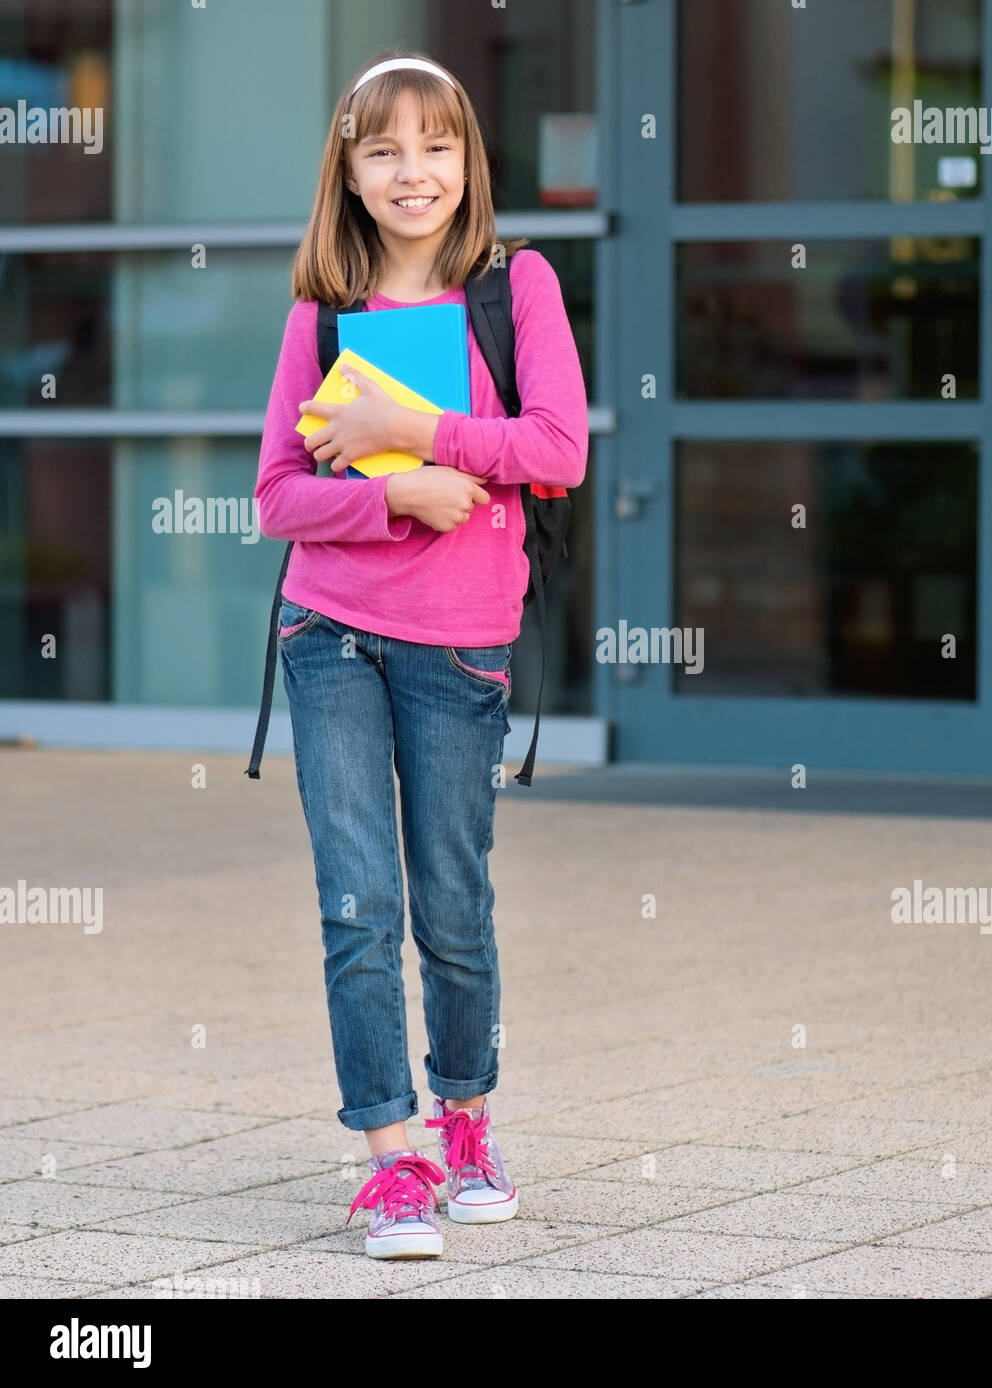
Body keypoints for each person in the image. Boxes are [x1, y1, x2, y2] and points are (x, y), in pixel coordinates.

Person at [253, 50, 587, 1258]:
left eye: (436, 147)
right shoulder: (321, 311)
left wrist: (409, 429)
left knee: (452, 904)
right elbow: (278, 498)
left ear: (468, 163)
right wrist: (399, 497)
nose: (413, 172)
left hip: (459, 644)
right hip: (328, 633)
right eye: (385, 149)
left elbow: (560, 442)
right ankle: (388, 1159)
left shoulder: (516, 287)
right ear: (348, 166)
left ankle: (465, 1126)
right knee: (359, 905)